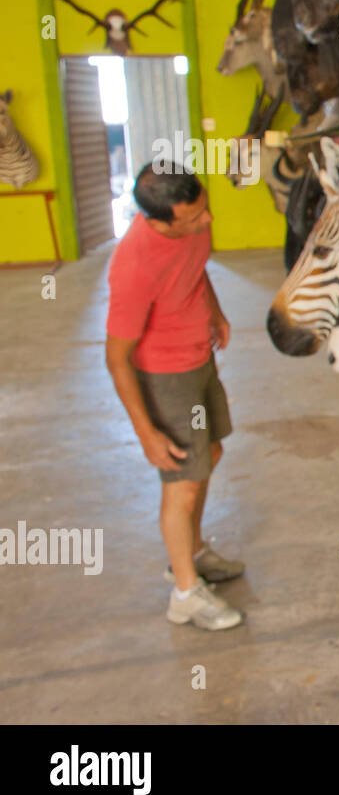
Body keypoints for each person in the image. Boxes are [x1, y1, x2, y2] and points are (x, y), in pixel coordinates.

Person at [105, 161, 245, 630]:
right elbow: (116, 358)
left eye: (205, 208)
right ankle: (184, 593)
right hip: (166, 377)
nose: (206, 221)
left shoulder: (190, 224)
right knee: (181, 484)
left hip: (198, 361)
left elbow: (195, 268)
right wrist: (145, 433)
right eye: (194, 217)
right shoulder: (134, 265)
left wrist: (216, 312)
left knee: (210, 452)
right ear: (160, 221)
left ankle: (193, 552)